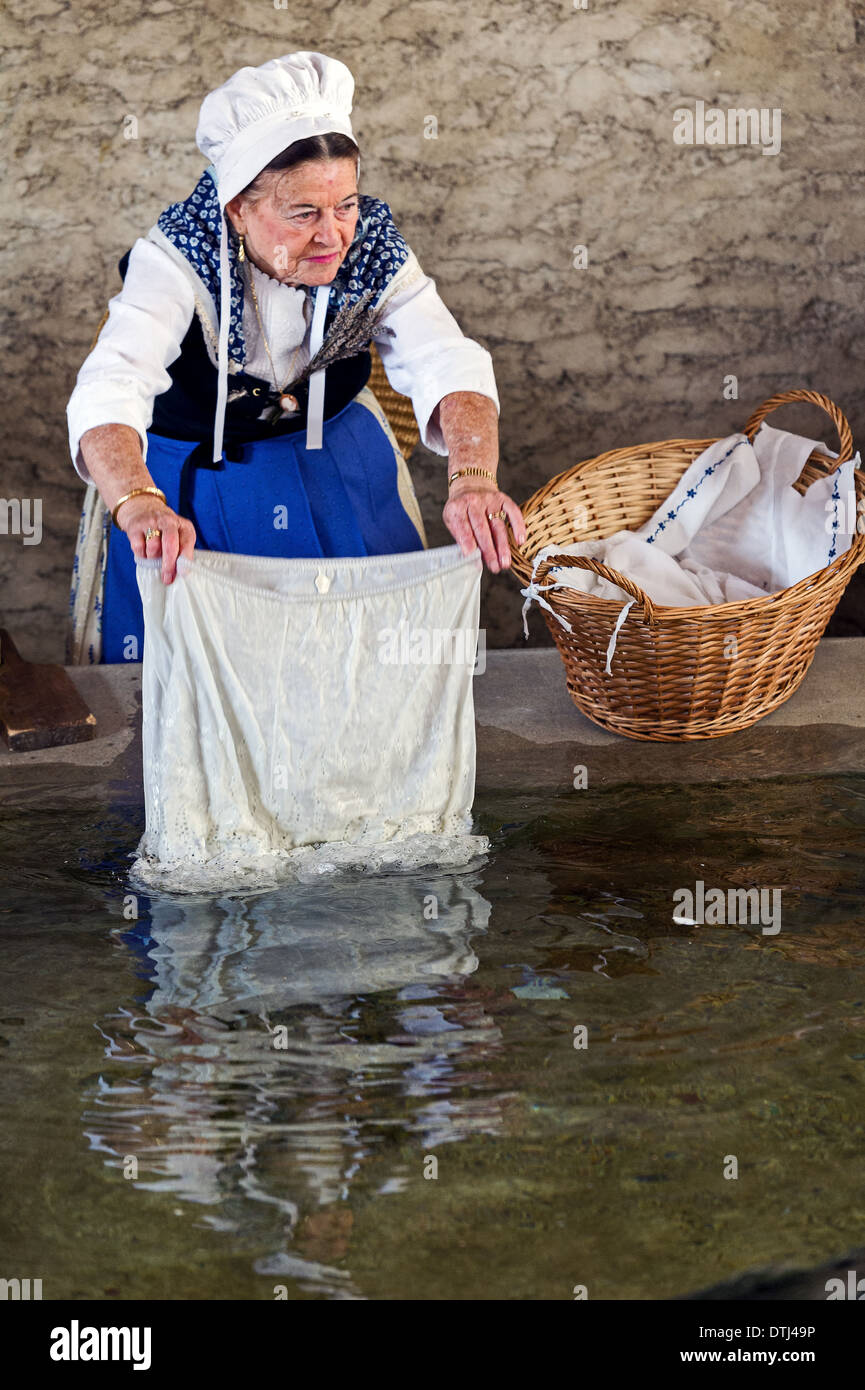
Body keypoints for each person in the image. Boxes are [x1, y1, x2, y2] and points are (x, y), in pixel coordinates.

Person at [66, 50, 526, 664]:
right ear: (238, 208)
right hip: (188, 485)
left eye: (345, 205)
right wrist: (138, 499)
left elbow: (443, 354)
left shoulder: (370, 244)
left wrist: (473, 477)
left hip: (335, 457)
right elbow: (110, 385)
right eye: (303, 212)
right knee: (208, 683)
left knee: (363, 665)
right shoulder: (175, 259)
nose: (333, 234)